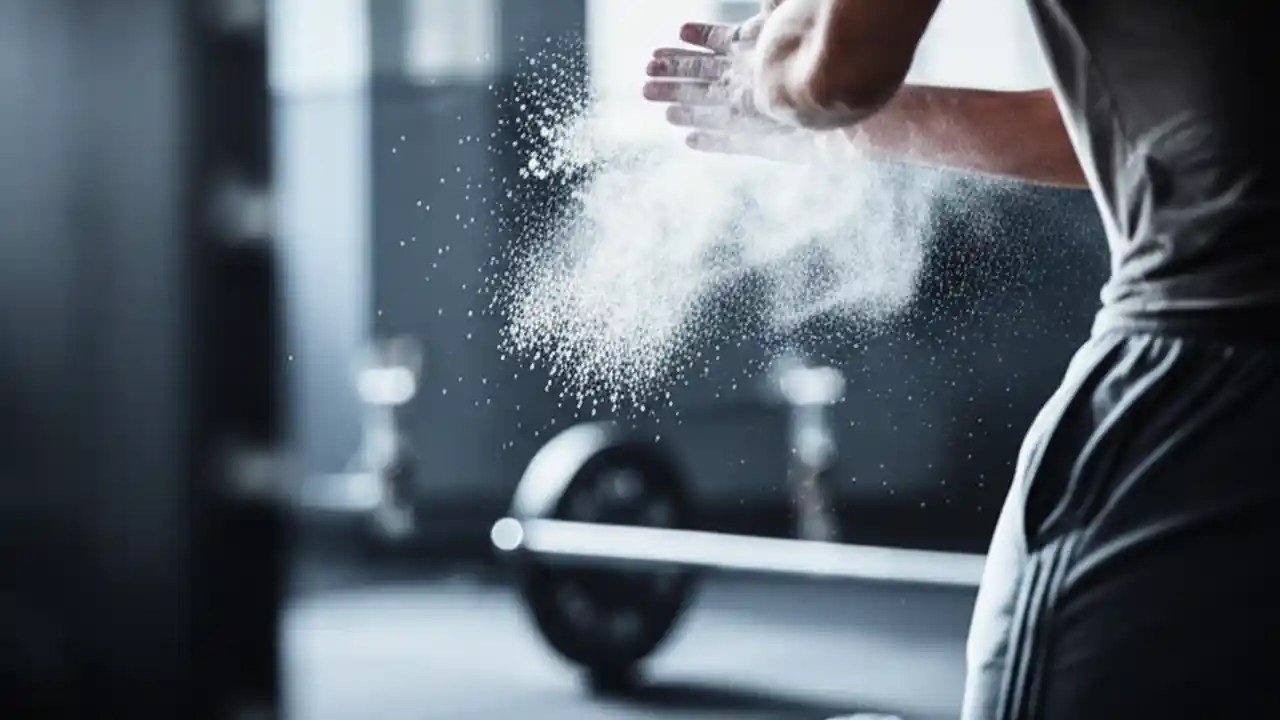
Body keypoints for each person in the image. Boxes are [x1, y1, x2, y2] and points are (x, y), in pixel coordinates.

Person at [642, 1, 1280, 718]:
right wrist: (856, 128)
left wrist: (768, 63)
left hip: (1202, 380)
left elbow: (836, 71)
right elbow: (1163, 140)